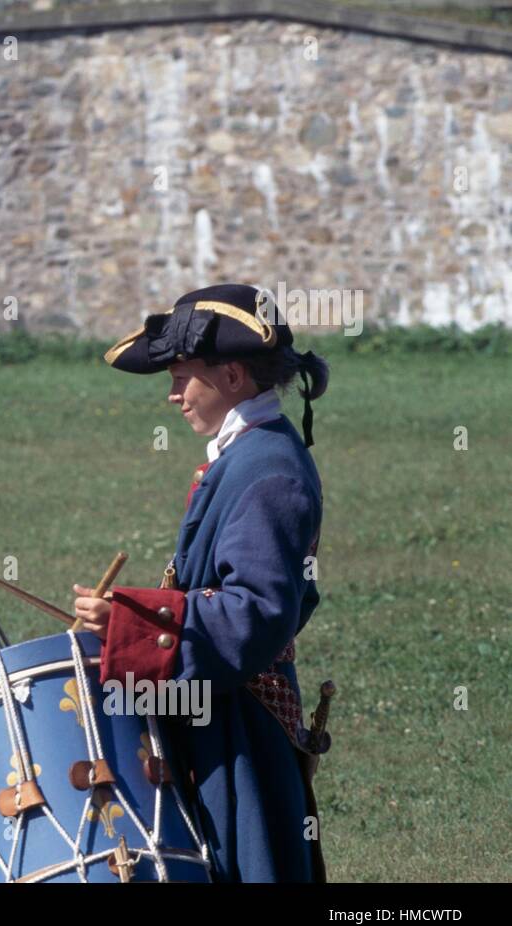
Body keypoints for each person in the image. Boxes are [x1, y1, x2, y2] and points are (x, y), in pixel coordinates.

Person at [73, 283, 330, 882]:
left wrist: (135, 621)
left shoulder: (269, 469)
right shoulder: (248, 452)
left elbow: (259, 612)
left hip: (243, 724)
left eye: (181, 377)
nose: (171, 395)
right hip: (217, 702)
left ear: (234, 375)